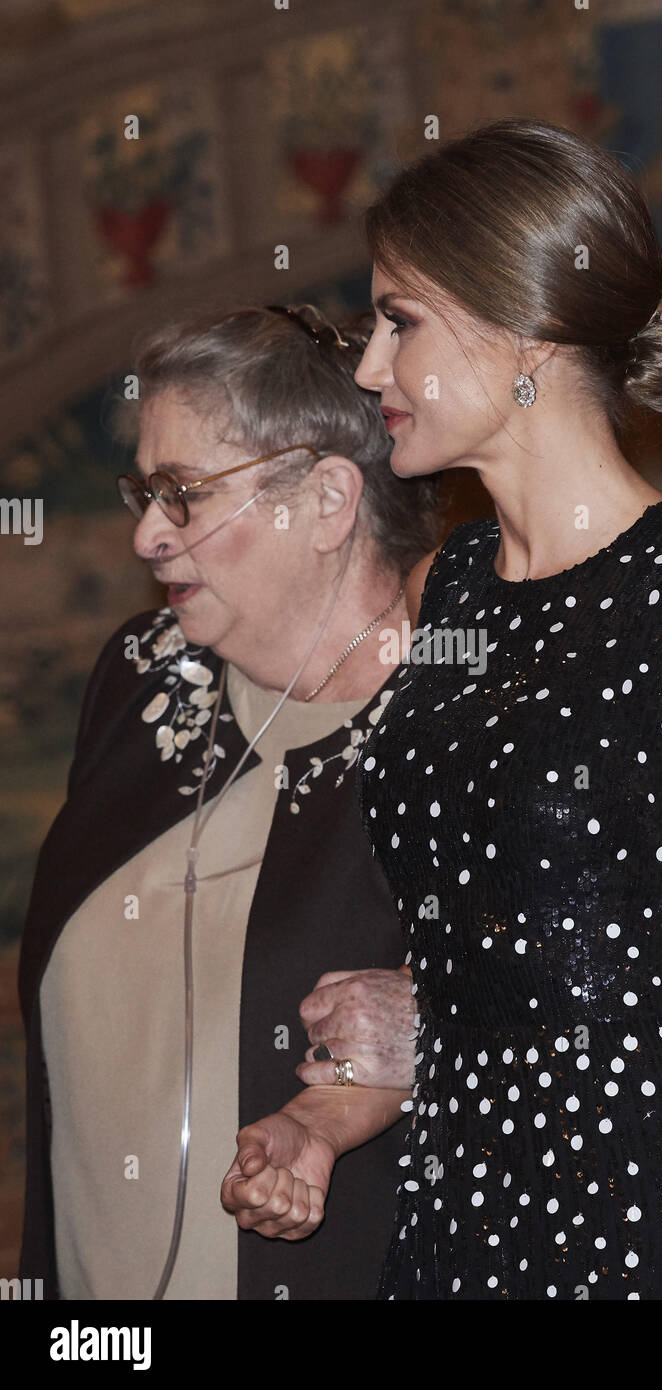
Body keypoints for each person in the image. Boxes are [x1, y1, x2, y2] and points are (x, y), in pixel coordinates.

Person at [220, 120, 662, 1301]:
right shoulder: (439, 590)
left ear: (516, 331)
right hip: (457, 1216)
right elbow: (472, 958)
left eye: (398, 320)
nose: (369, 369)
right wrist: (331, 1114)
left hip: (654, 1225)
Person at [18, 302, 443, 1300]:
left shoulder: (457, 722)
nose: (146, 536)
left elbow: (608, 1010)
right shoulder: (137, 674)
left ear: (329, 500)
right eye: (142, 491)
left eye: (184, 495)